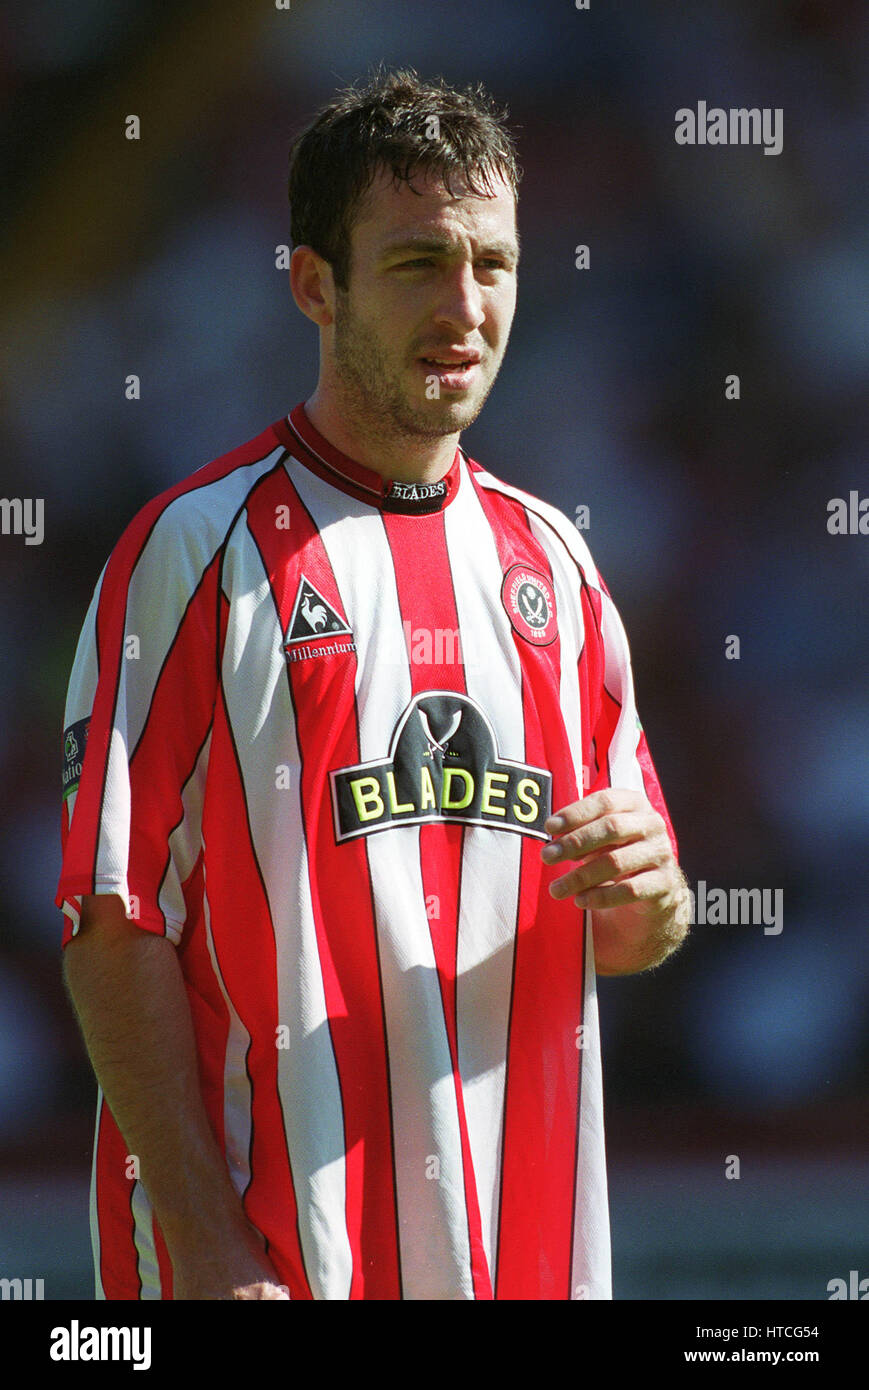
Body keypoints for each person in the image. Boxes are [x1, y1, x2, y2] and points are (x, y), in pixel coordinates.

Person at [57, 68, 690, 1301]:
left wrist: (657, 894)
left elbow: (625, 923)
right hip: (273, 1260)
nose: (465, 306)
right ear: (312, 283)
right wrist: (205, 1244)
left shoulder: (553, 564)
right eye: (417, 263)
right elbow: (110, 921)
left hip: (529, 1257)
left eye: (492, 265)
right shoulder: (198, 551)